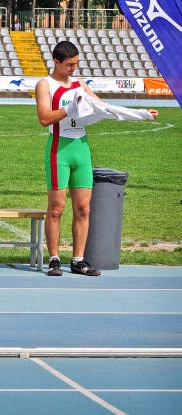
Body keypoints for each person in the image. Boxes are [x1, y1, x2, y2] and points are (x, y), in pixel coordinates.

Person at [35, 40, 158, 277]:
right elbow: (44, 118)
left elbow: (106, 108)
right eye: (69, 65)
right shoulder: (45, 85)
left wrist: (140, 114)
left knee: (82, 208)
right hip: (59, 149)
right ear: (56, 62)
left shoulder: (80, 85)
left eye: (76, 64)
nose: (73, 69)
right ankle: (54, 259)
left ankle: (78, 260)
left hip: (81, 149)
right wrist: (69, 109)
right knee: (57, 208)